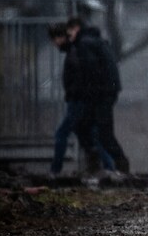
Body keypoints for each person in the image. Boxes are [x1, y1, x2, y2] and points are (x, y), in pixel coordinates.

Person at [47, 22, 112, 175]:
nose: (55, 43)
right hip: (80, 100)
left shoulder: (75, 51)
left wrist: (75, 95)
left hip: (77, 101)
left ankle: (55, 170)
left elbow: (81, 77)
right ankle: (109, 166)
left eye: (55, 38)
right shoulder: (77, 50)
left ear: (61, 37)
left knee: (62, 134)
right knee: (90, 135)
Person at [68, 17, 131, 174]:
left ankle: (108, 162)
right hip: (107, 92)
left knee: (87, 126)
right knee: (101, 130)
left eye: (69, 33)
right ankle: (113, 162)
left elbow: (91, 71)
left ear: (75, 29)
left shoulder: (85, 44)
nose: (69, 37)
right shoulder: (96, 41)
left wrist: (85, 91)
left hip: (100, 93)